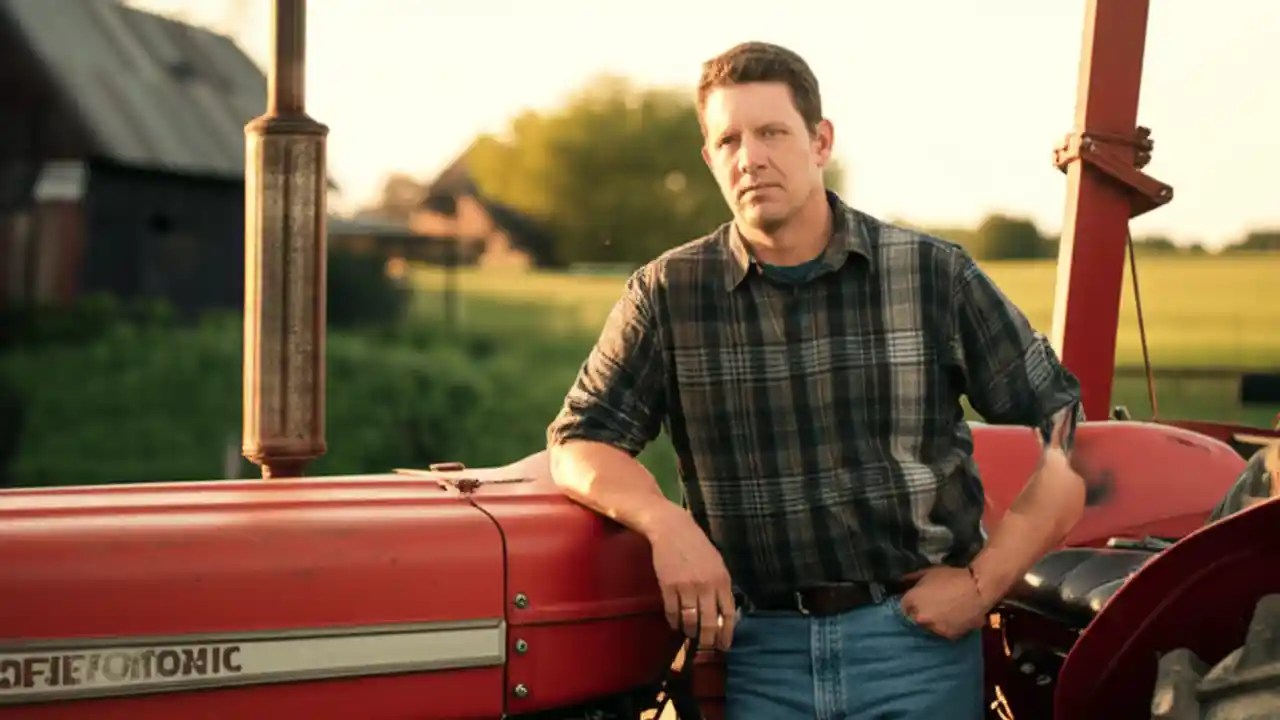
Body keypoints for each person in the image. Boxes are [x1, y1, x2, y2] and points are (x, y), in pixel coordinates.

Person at [545, 40, 1087, 719]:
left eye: (772, 132)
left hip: (917, 643)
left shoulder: (930, 274)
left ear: (820, 140)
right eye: (729, 140)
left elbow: (1067, 426)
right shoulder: (668, 293)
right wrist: (665, 524)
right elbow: (579, 441)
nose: (750, 157)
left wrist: (984, 584)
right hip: (760, 651)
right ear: (710, 158)